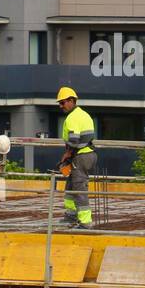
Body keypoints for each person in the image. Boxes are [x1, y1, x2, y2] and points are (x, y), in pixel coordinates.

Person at [56, 86, 97, 231]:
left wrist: (67, 155)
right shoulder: (84, 114)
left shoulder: (72, 117)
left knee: (79, 189)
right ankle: (71, 215)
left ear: (71, 101)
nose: (61, 106)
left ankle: (85, 223)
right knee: (71, 186)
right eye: (59, 103)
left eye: (63, 102)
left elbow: (74, 140)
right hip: (87, 154)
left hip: (80, 156)